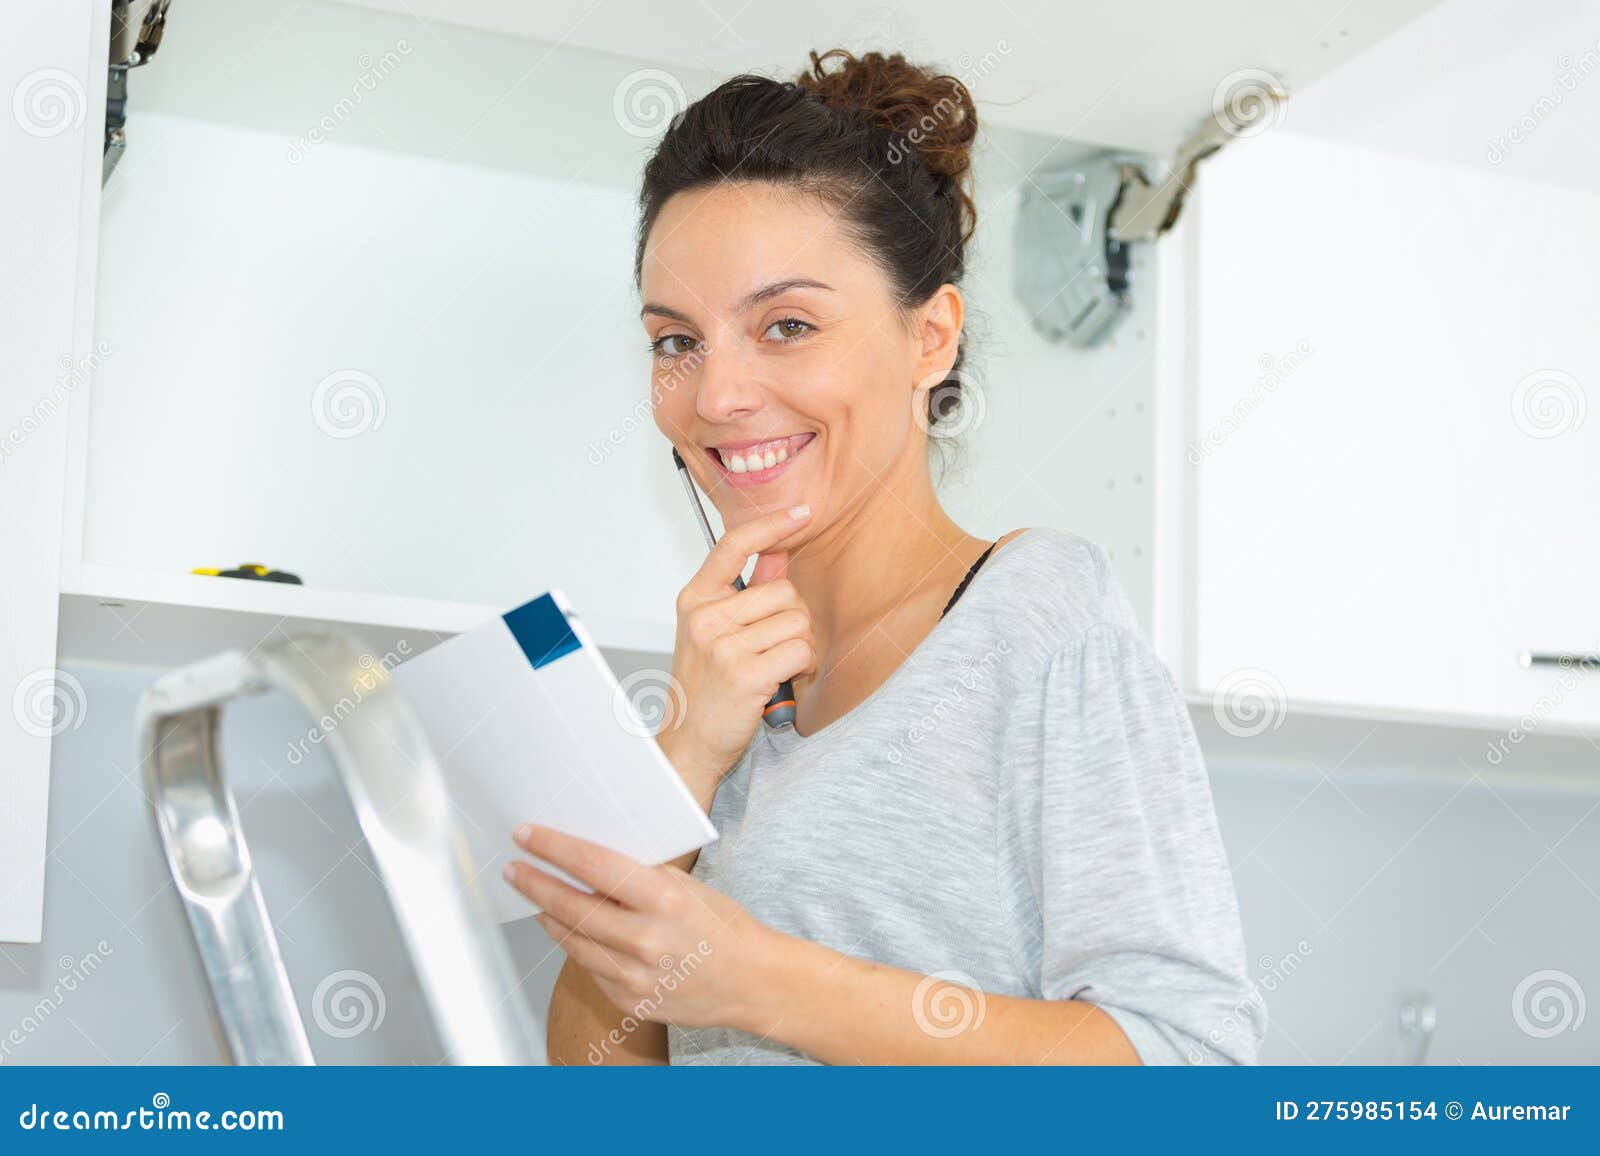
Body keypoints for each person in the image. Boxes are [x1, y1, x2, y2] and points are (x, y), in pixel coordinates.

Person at [506, 48, 1263, 1066]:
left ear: (930, 338)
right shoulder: (724, 680)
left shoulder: (1037, 614)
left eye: (786, 325)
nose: (717, 395)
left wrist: (759, 980)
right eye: (676, 341)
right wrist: (684, 754)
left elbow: (1187, 1057)